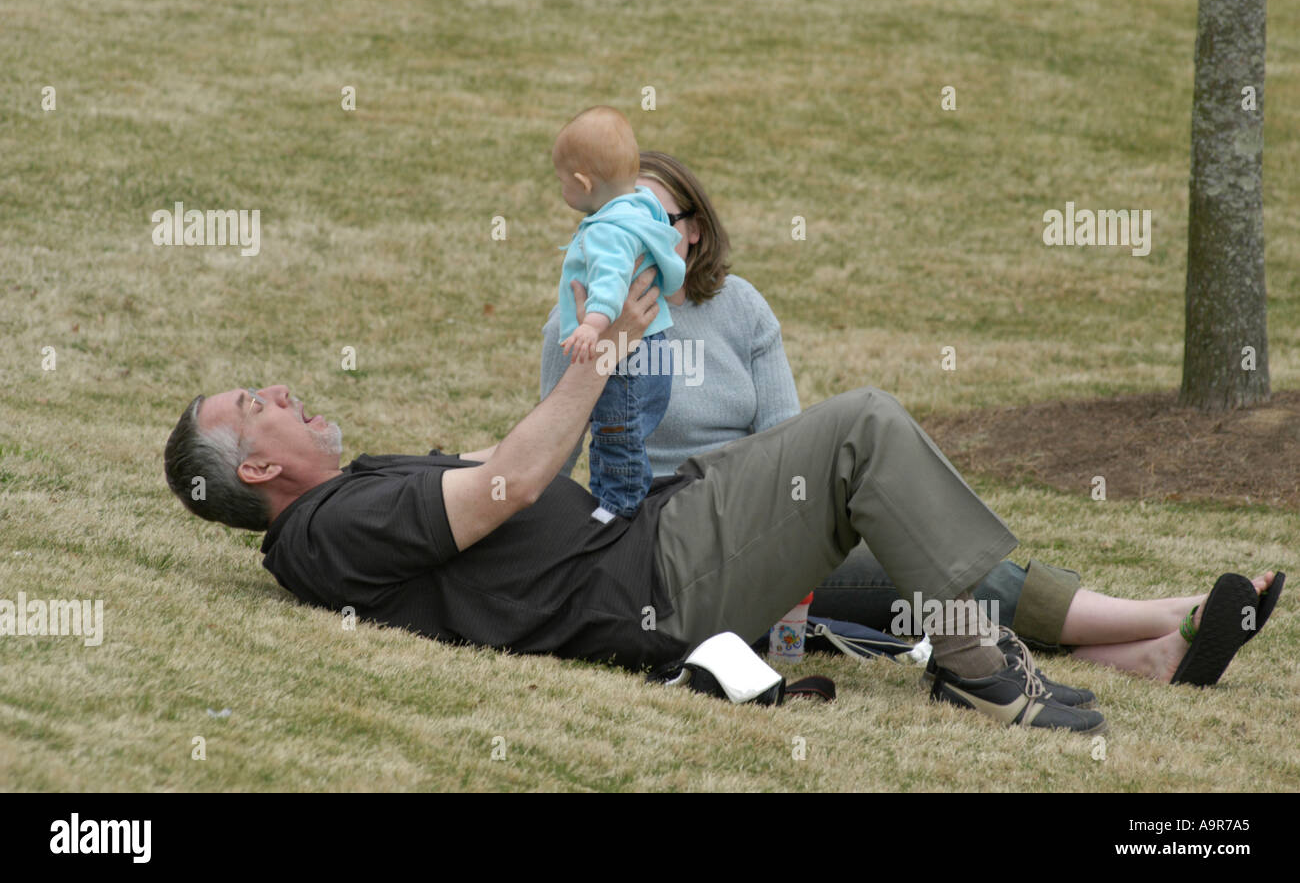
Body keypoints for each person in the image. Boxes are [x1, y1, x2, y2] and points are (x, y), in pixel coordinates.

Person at [164, 271, 1152, 734]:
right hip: (660, 581)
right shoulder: (329, 532)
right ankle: (982, 671)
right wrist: (596, 361)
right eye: (260, 407)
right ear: (256, 471)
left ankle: (1149, 634)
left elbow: (503, 451)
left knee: (898, 526)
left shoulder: (357, 482)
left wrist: (601, 341)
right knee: (863, 427)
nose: (284, 394)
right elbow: (509, 484)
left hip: (657, 538)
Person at [540, 151, 1284, 686]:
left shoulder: (738, 309)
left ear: (693, 230)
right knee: (915, 568)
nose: (634, 235)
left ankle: (1147, 646)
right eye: (618, 219)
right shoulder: (576, 325)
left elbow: (789, 445)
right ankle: (1163, 616)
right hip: (671, 555)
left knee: (927, 558)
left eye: (654, 219)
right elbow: (554, 454)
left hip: (764, 515)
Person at [550, 107, 685, 517]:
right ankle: (624, 498)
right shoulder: (641, 209)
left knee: (614, 431)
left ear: (583, 183)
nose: (561, 190)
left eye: (561, 183)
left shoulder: (608, 231)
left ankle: (617, 506)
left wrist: (593, 325)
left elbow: (610, 282)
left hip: (625, 357)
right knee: (629, 430)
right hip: (653, 347)